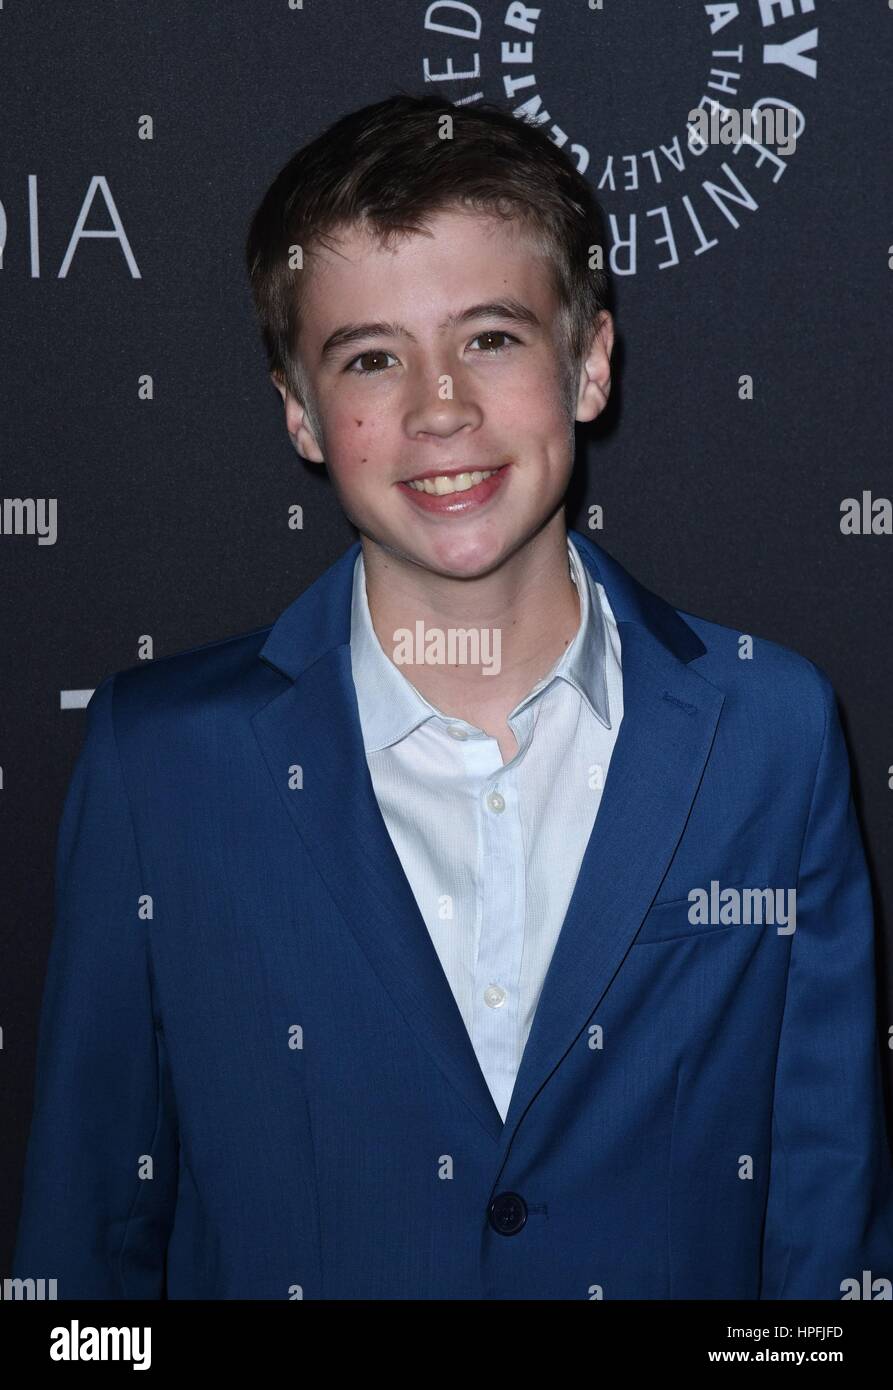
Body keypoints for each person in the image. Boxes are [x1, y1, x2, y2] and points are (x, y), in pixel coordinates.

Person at [14, 93, 893, 1300]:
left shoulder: (767, 733)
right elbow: (83, 1262)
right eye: (370, 357)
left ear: (587, 363)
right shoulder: (160, 765)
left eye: (489, 337)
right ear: (299, 411)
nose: (438, 408)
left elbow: (824, 1227)